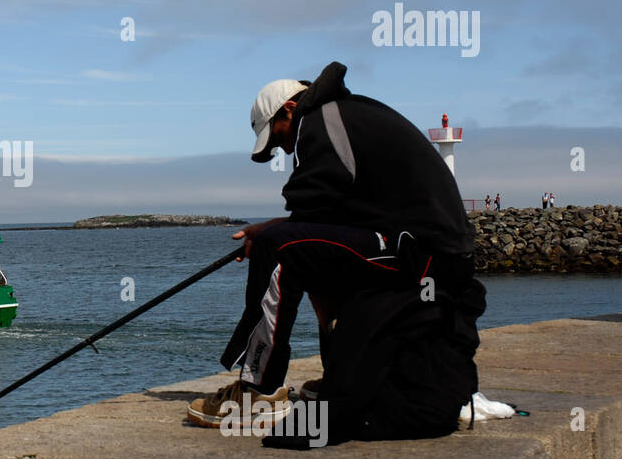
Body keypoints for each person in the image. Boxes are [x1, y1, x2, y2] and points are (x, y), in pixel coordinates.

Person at [187, 61, 480, 431]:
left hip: (420, 253)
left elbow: (308, 207)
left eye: (277, 137)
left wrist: (269, 232)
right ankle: (340, 379)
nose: (283, 147)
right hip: (429, 250)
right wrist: (278, 227)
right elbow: (327, 213)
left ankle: (257, 391)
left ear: (290, 109)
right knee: (301, 245)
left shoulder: (322, 121)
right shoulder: (347, 113)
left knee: (278, 247)